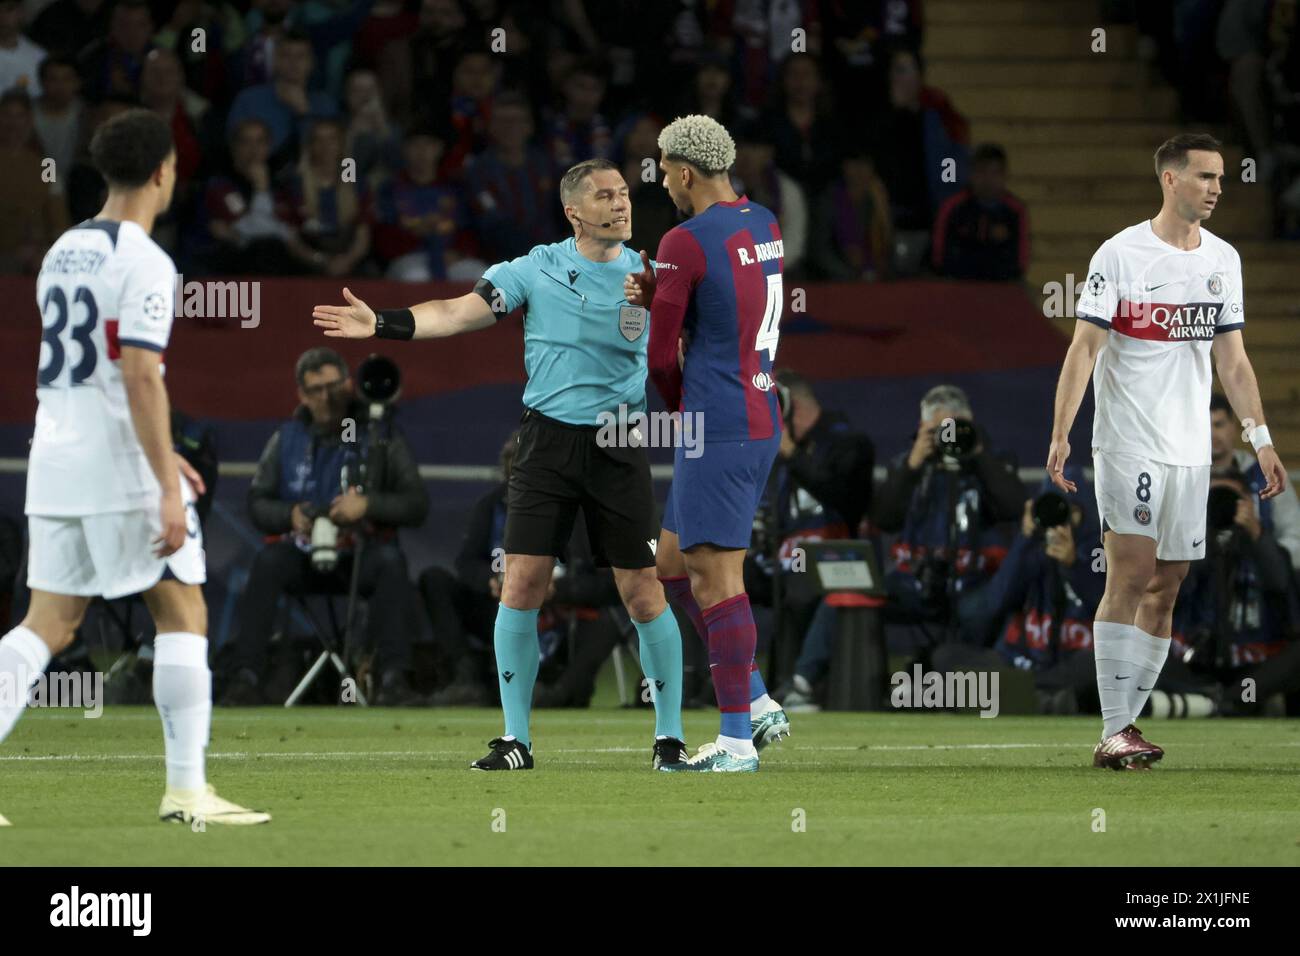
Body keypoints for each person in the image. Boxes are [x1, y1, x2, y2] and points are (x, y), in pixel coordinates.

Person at [313, 157, 689, 772]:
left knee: (643, 592)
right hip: (545, 443)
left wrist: (666, 310)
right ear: (574, 211)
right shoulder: (534, 269)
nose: (621, 204)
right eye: (604, 195)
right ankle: (517, 740)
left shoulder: (652, 274)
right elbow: (459, 312)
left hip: (620, 439)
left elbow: (688, 345)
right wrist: (382, 322)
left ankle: (669, 740)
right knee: (520, 585)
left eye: (624, 193)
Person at [0, 108, 267, 826]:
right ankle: (186, 793)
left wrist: (161, 448)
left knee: (47, 624)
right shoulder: (146, 260)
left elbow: (98, 371)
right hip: (117, 467)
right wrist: (164, 483)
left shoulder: (62, 250)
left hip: (54, 455)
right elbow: (140, 373)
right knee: (182, 609)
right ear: (162, 172)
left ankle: (187, 793)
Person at [1048, 132, 1288, 770]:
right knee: (1128, 574)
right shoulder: (1120, 255)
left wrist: (1260, 438)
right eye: (1205, 177)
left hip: (1190, 451)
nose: (1216, 189)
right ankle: (1114, 726)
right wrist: (1061, 431)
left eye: (1221, 180)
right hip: (1128, 443)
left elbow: (1232, 361)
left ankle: (1126, 726)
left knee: (1169, 585)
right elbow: (1084, 349)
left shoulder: (1223, 260)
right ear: (1170, 180)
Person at [625, 114, 792, 773]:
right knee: (670, 565)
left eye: (664, 170)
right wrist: (667, 291)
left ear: (685, 172)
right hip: (759, 411)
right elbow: (734, 305)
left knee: (716, 578)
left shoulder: (683, 240)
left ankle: (736, 743)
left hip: (716, 422)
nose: (662, 181)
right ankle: (753, 700)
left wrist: (680, 412)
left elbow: (661, 358)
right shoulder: (764, 223)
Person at [220, 348, 429, 707]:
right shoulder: (287, 438)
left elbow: (417, 504)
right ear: (301, 394)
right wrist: (291, 515)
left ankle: (395, 678)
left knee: (391, 563)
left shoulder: (378, 434)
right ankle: (246, 676)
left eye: (334, 386)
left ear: (349, 384)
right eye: (316, 390)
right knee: (268, 562)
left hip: (360, 555)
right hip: (303, 554)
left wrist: (368, 505)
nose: (327, 398)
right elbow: (257, 503)